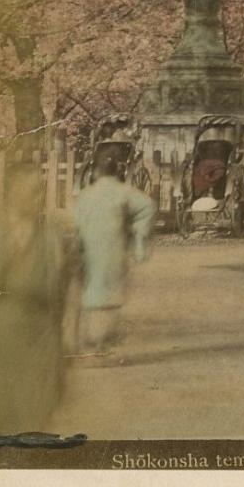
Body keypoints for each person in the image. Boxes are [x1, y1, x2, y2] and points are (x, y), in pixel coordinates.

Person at [0, 159, 72, 435]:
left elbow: (62, 291)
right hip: (0, 331)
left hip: (40, 335)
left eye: (40, 190)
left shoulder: (52, 237)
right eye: (33, 191)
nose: (39, 198)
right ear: (14, 191)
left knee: (37, 411)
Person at [71, 152, 157, 355]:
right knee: (109, 293)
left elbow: (77, 220)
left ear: (96, 172)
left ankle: (91, 340)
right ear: (116, 172)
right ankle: (101, 341)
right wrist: (137, 230)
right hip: (113, 246)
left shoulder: (86, 194)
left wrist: (78, 238)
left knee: (90, 290)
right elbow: (148, 207)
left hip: (89, 246)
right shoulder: (124, 191)